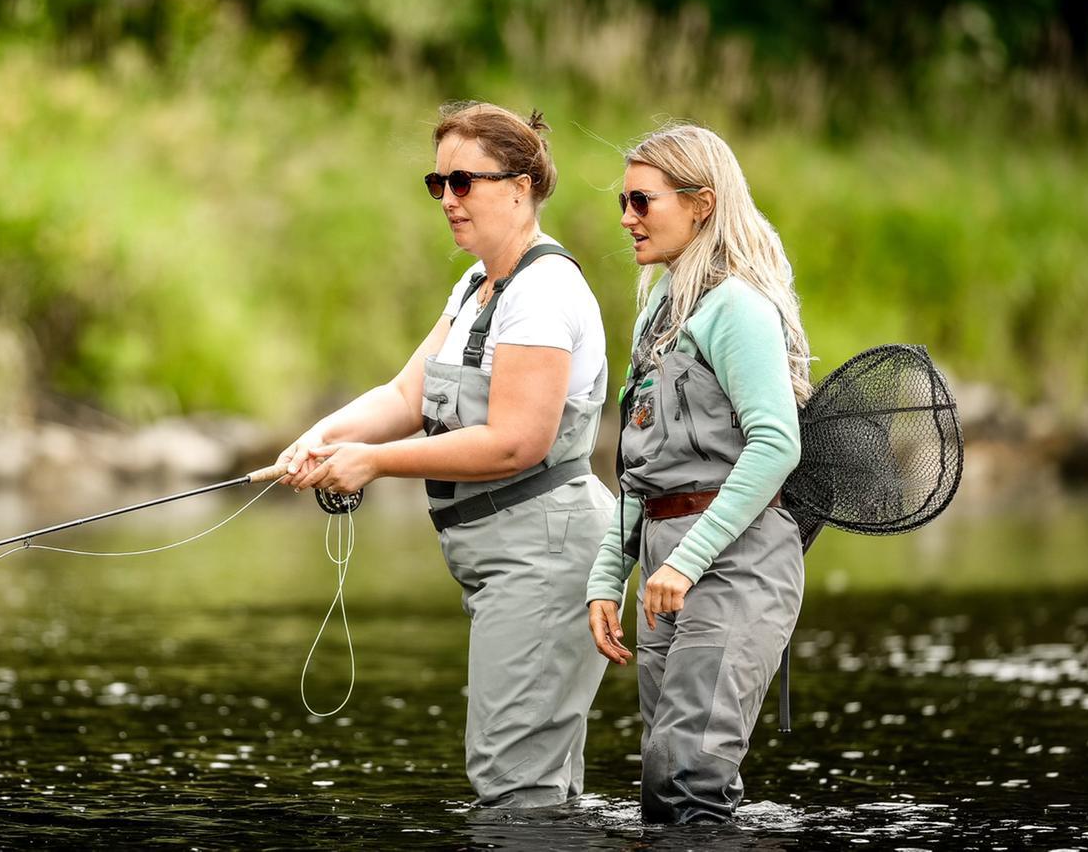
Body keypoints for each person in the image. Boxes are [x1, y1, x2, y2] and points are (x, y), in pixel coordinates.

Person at [279, 101, 616, 809]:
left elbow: (516, 442)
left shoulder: (544, 291)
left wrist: (374, 463)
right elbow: (406, 394)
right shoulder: (476, 284)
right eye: (438, 184)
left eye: (463, 182)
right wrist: (324, 436)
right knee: (533, 780)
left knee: (511, 779)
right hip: (509, 556)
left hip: (547, 555)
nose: (447, 200)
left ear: (519, 187)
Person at [585, 123, 811, 825]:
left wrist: (686, 561)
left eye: (642, 201)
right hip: (665, 564)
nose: (627, 217)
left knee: (689, 776)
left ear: (701, 204)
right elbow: (639, 465)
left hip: (736, 562)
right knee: (663, 782)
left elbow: (776, 445)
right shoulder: (656, 312)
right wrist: (607, 575)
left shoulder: (739, 308)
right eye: (623, 201)